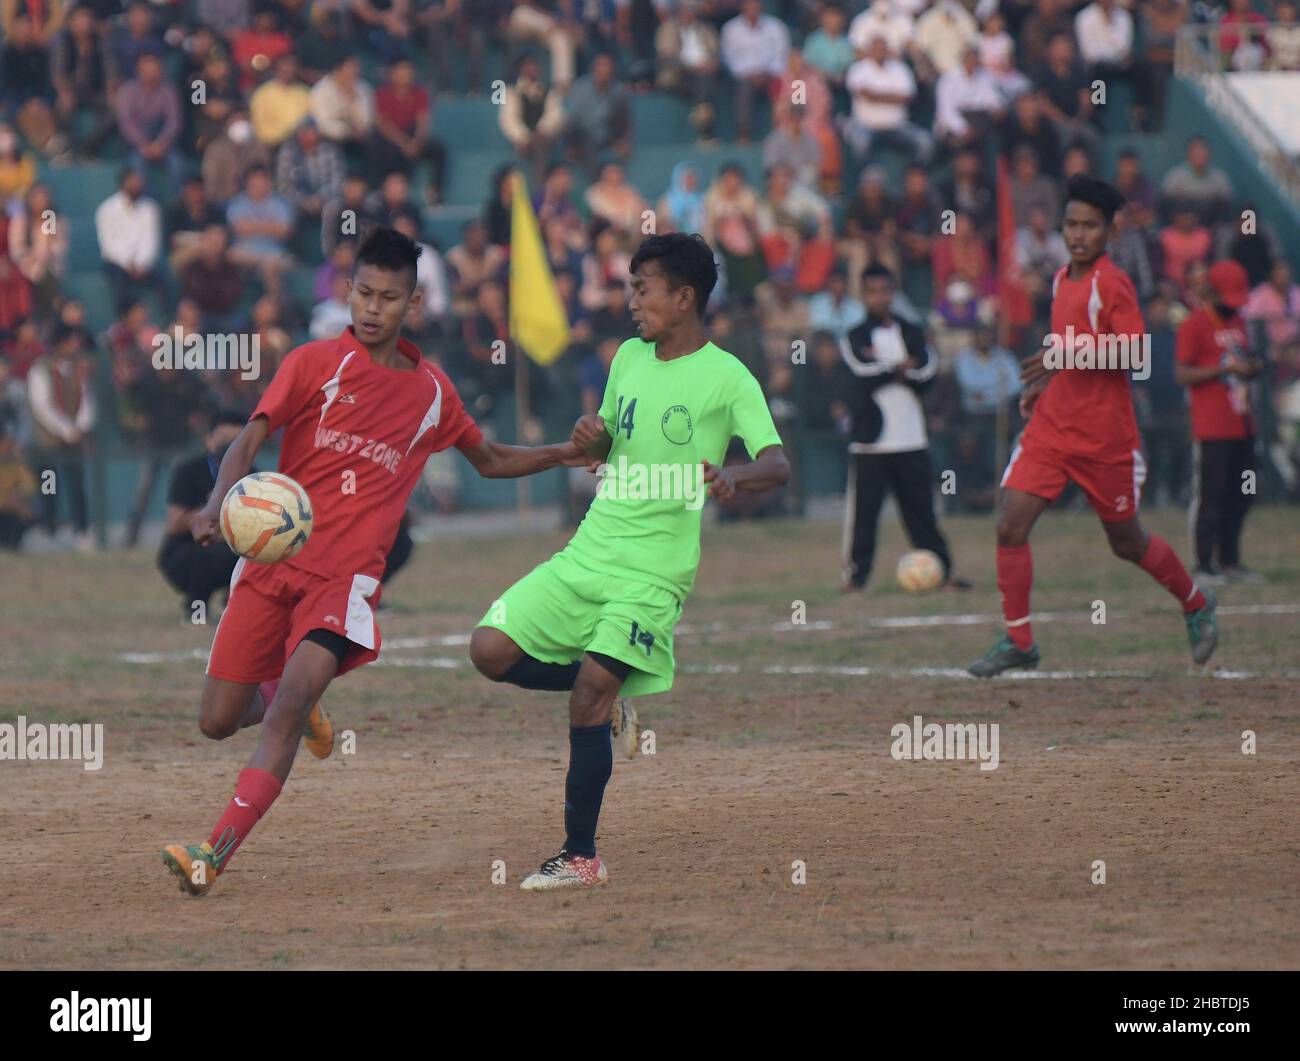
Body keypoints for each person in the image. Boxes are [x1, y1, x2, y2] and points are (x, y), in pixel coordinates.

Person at [160, 226, 590, 896]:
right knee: (218, 718)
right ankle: (287, 702)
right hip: (273, 567)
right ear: (347, 290)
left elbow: (492, 459)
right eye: (363, 292)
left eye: (389, 297)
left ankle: (212, 852)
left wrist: (563, 452)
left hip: (345, 579)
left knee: (291, 702)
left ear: (412, 304)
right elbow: (250, 438)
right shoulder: (311, 363)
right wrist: (219, 500)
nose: (372, 308)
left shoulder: (432, 393)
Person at [469, 232, 790, 890]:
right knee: (488, 649)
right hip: (590, 549)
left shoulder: (729, 377)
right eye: (630, 287)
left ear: (684, 296)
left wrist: (734, 479)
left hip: (653, 572)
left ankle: (580, 855)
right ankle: (613, 697)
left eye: (643, 289)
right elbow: (610, 437)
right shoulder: (625, 359)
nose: (631, 300)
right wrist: (594, 432)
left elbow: (778, 463)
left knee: (587, 692)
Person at [969, 175, 1218, 677]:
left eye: (1090, 226)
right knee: (1009, 525)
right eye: (1072, 224)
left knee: (1127, 543)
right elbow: (1068, 349)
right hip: (1053, 428)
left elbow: (1137, 353)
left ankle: (1195, 602)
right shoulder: (1062, 279)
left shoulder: (1113, 282)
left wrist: (1064, 353)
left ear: (1109, 231)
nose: (1079, 234)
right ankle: (1020, 640)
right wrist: (1041, 385)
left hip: (1105, 438)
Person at [839, 263, 965, 593]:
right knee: (864, 515)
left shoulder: (912, 331)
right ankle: (856, 577)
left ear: (893, 293)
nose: (879, 297)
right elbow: (860, 372)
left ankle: (943, 572)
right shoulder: (854, 336)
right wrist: (898, 368)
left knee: (921, 511)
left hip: (911, 437)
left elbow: (927, 371)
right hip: (871, 442)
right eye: (872, 292)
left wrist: (900, 372)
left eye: (885, 291)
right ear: (863, 295)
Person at [1175, 259, 1263, 582]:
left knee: (1242, 493)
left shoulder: (1241, 321)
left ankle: (1230, 560)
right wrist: (1223, 370)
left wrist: (1252, 367)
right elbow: (1182, 373)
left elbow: (1249, 361)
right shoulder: (1195, 324)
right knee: (1210, 495)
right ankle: (1203, 564)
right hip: (1212, 426)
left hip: (1242, 422)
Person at [158, 410, 247, 616]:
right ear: (209, 440)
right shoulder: (189, 471)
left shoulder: (251, 474)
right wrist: (214, 510)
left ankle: (235, 608)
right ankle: (196, 611)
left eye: (237, 442)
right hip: (187, 549)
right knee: (208, 554)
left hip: (231, 546)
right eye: (224, 441)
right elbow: (174, 525)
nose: (229, 449)